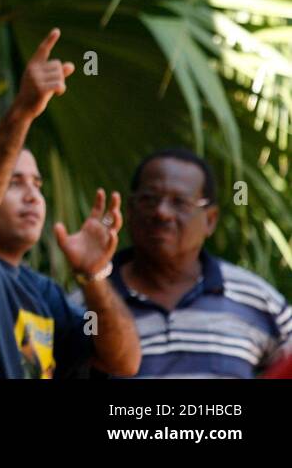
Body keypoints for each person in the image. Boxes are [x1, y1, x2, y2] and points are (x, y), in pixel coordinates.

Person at [0, 28, 141, 378]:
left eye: (37, 183)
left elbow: (123, 362)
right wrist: (21, 112)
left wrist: (93, 276)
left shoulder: (43, 291)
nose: (33, 195)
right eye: (15, 183)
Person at [71, 148, 292, 378]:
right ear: (130, 210)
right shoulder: (85, 305)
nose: (162, 213)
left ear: (210, 220)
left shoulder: (257, 301)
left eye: (180, 202)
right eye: (149, 199)